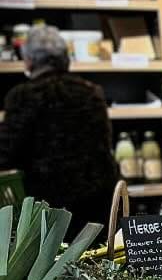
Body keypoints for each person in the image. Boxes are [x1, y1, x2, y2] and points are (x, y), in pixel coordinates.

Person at [0, 26, 120, 228]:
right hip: (100, 201)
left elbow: (6, 152)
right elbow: (104, 143)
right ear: (66, 58)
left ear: (29, 61)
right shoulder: (92, 92)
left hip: (52, 208)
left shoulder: (23, 95)